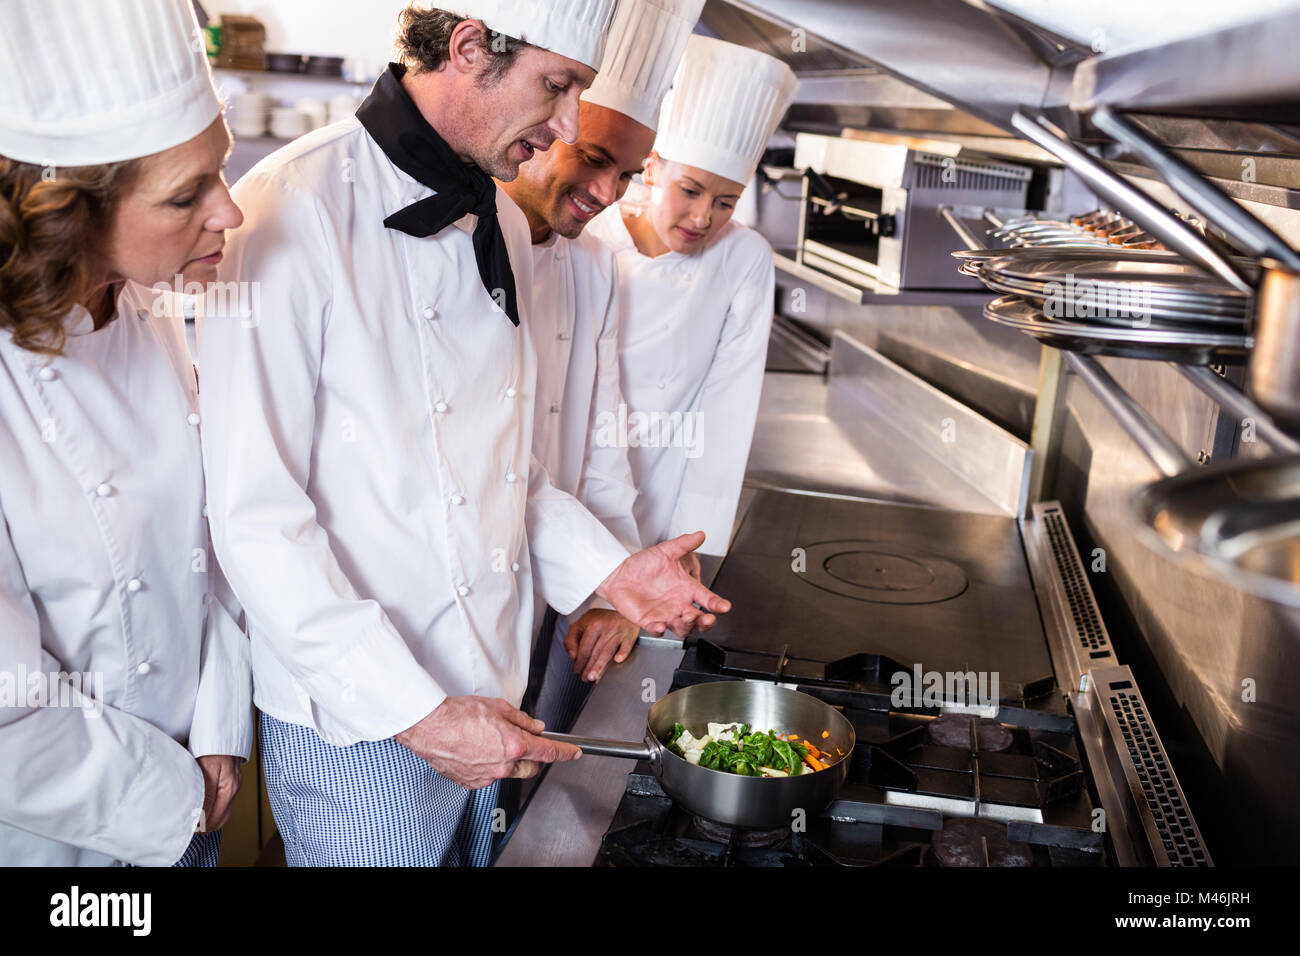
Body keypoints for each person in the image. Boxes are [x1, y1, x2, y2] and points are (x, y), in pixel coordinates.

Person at [198, 0, 729, 867]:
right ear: (469, 46)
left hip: (492, 686)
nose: (563, 126)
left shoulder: (506, 226)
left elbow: (505, 477)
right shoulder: (287, 209)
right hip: (359, 717)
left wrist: (609, 571)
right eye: (557, 87)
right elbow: (255, 518)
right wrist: (416, 711)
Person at [0, 0, 252, 866]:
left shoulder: (139, 303)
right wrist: (178, 797)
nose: (231, 213)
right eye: (187, 194)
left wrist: (218, 725)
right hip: (63, 838)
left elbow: (213, 542)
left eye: (218, 171)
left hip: (198, 788)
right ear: (67, 216)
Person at [500, 0, 705, 735]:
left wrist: (606, 593)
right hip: (455, 613)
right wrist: (604, 573)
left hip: (545, 592)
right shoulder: (459, 246)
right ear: (541, 130)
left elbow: (601, 444)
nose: (607, 196)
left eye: (626, 175)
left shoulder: (591, 264)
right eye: (593, 159)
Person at [586, 35, 799, 575]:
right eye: (691, 189)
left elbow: (727, 408)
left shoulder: (744, 258)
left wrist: (690, 544)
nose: (704, 217)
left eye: (726, 201)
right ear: (652, 169)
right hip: (573, 496)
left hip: (668, 501)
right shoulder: (591, 238)